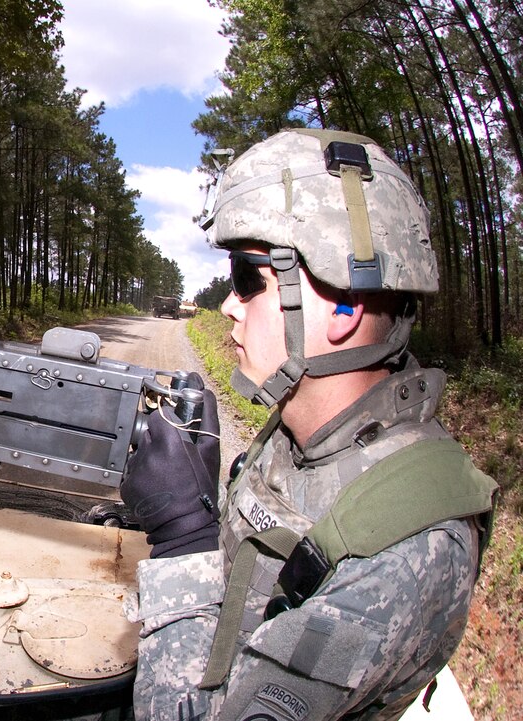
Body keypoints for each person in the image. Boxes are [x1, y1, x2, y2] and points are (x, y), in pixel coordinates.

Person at [120, 129, 497, 721]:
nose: (227, 303)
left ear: (344, 308)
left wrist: (181, 536)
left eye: (249, 278)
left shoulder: (404, 549)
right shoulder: (308, 432)